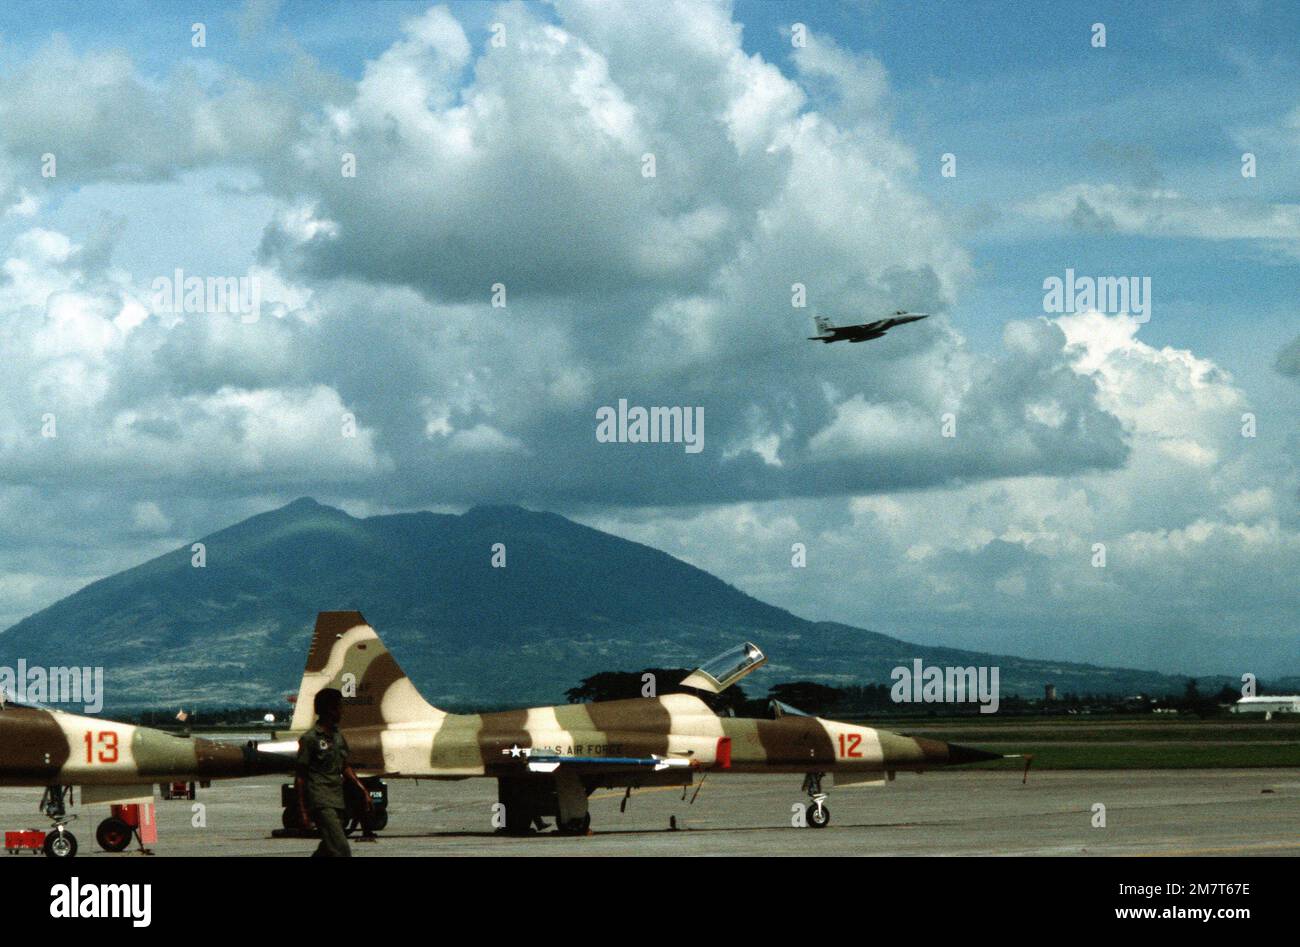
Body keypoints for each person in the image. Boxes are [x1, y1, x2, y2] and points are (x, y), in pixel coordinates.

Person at [295, 687, 371, 857]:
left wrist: (362, 789)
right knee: (341, 849)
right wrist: (303, 811)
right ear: (330, 710)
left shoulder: (338, 737)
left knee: (328, 849)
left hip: (338, 799)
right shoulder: (310, 739)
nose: (342, 711)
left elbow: (345, 766)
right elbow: (300, 776)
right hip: (321, 801)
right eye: (339, 707)